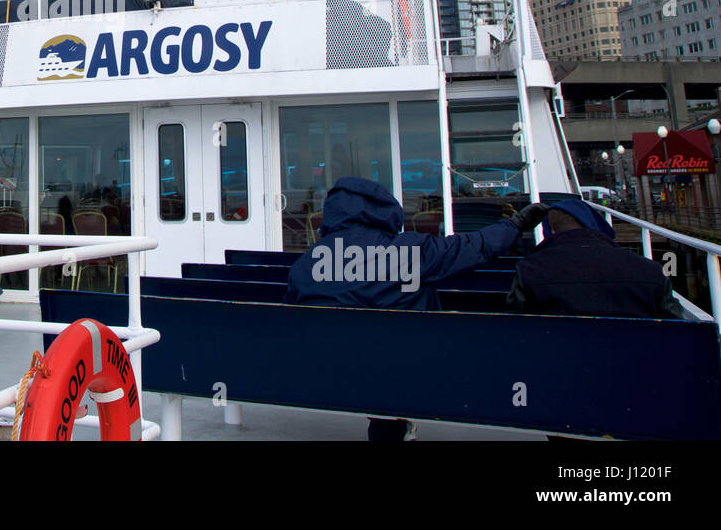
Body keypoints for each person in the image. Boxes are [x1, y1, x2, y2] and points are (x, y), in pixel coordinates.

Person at [287, 177, 548, 441]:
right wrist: (515, 225)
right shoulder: (408, 251)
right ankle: (392, 421)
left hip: (329, 371)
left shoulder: (306, 263)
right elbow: (472, 247)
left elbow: (292, 314)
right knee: (416, 291)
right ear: (384, 210)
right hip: (401, 367)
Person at [507, 198, 685, 319]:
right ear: (593, 227)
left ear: (552, 231)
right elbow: (678, 328)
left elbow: (520, 328)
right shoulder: (651, 272)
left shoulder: (528, 271)